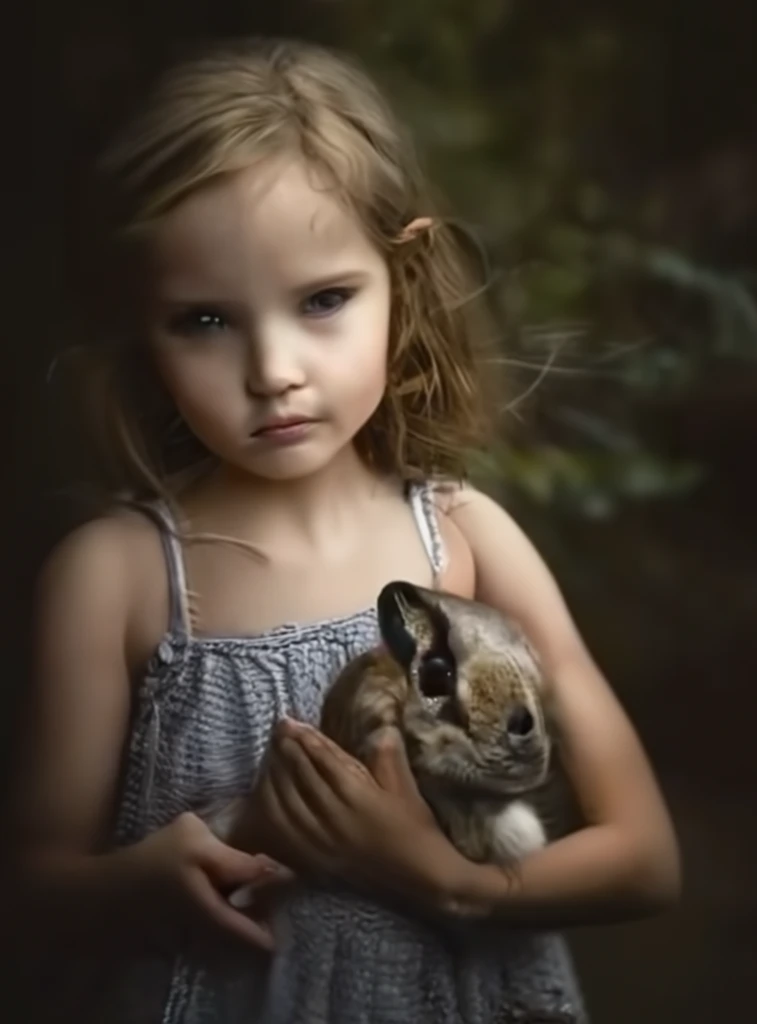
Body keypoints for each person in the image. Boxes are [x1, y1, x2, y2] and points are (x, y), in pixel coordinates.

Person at [7, 36, 681, 1024]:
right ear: (141, 327)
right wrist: (137, 881)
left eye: (324, 299)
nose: (272, 367)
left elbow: (645, 855)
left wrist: (443, 877)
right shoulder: (116, 578)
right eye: (203, 320)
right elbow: (28, 883)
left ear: (400, 279)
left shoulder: (466, 543)